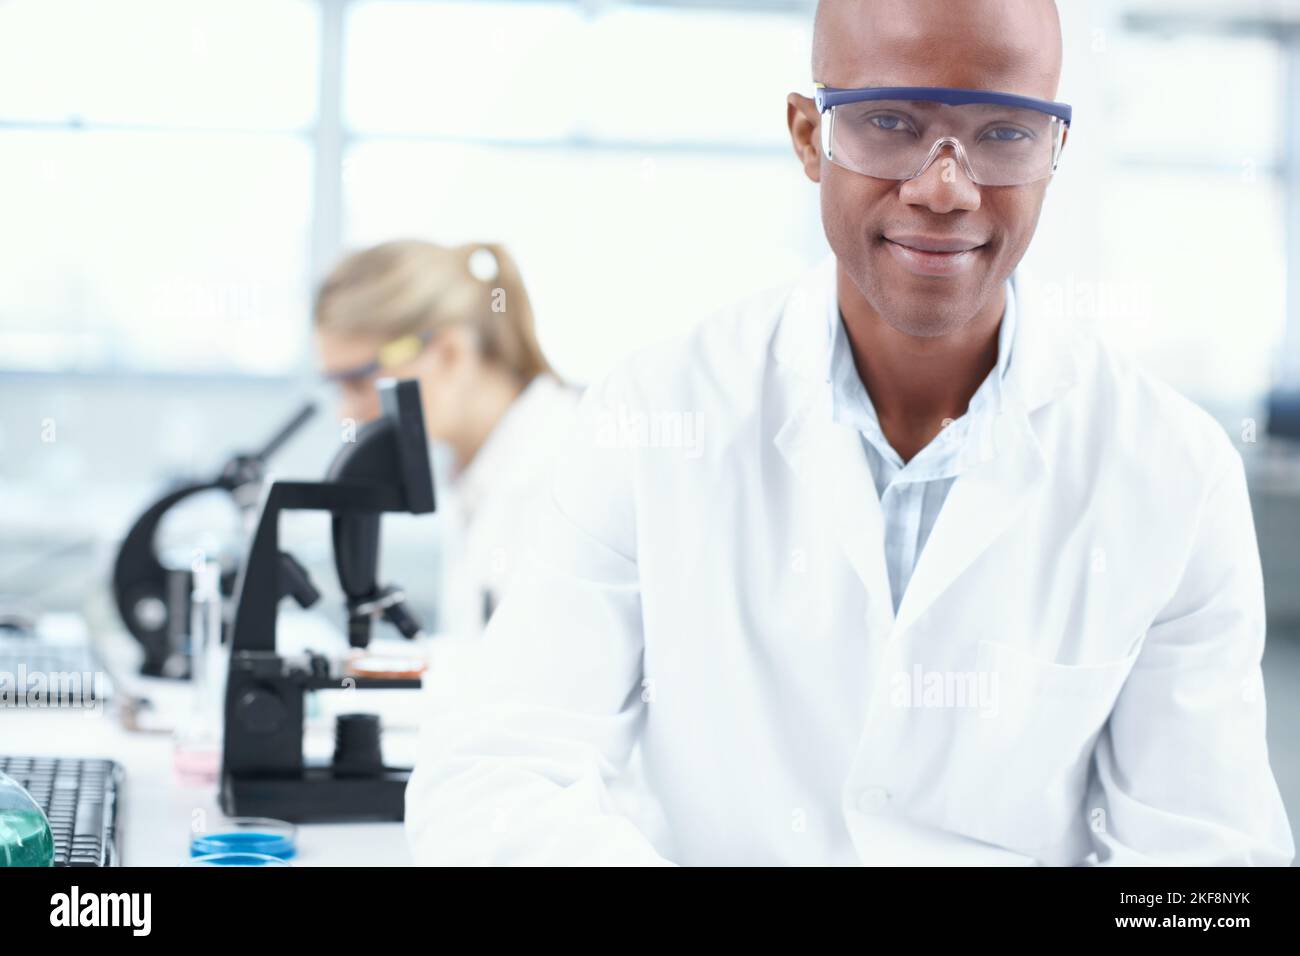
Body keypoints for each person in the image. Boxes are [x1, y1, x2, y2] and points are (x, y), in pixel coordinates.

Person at [404, 0, 1295, 865]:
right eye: (891, 122)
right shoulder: (653, 417)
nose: (945, 186)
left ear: (1055, 150)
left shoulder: (1172, 469)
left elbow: (1207, 871)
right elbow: (496, 778)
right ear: (807, 135)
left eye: (1004, 132)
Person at [314, 239, 577, 635]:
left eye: (358, 381)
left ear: (450, 353)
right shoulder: (474, 473)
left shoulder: (566, 468)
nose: (345, 412)